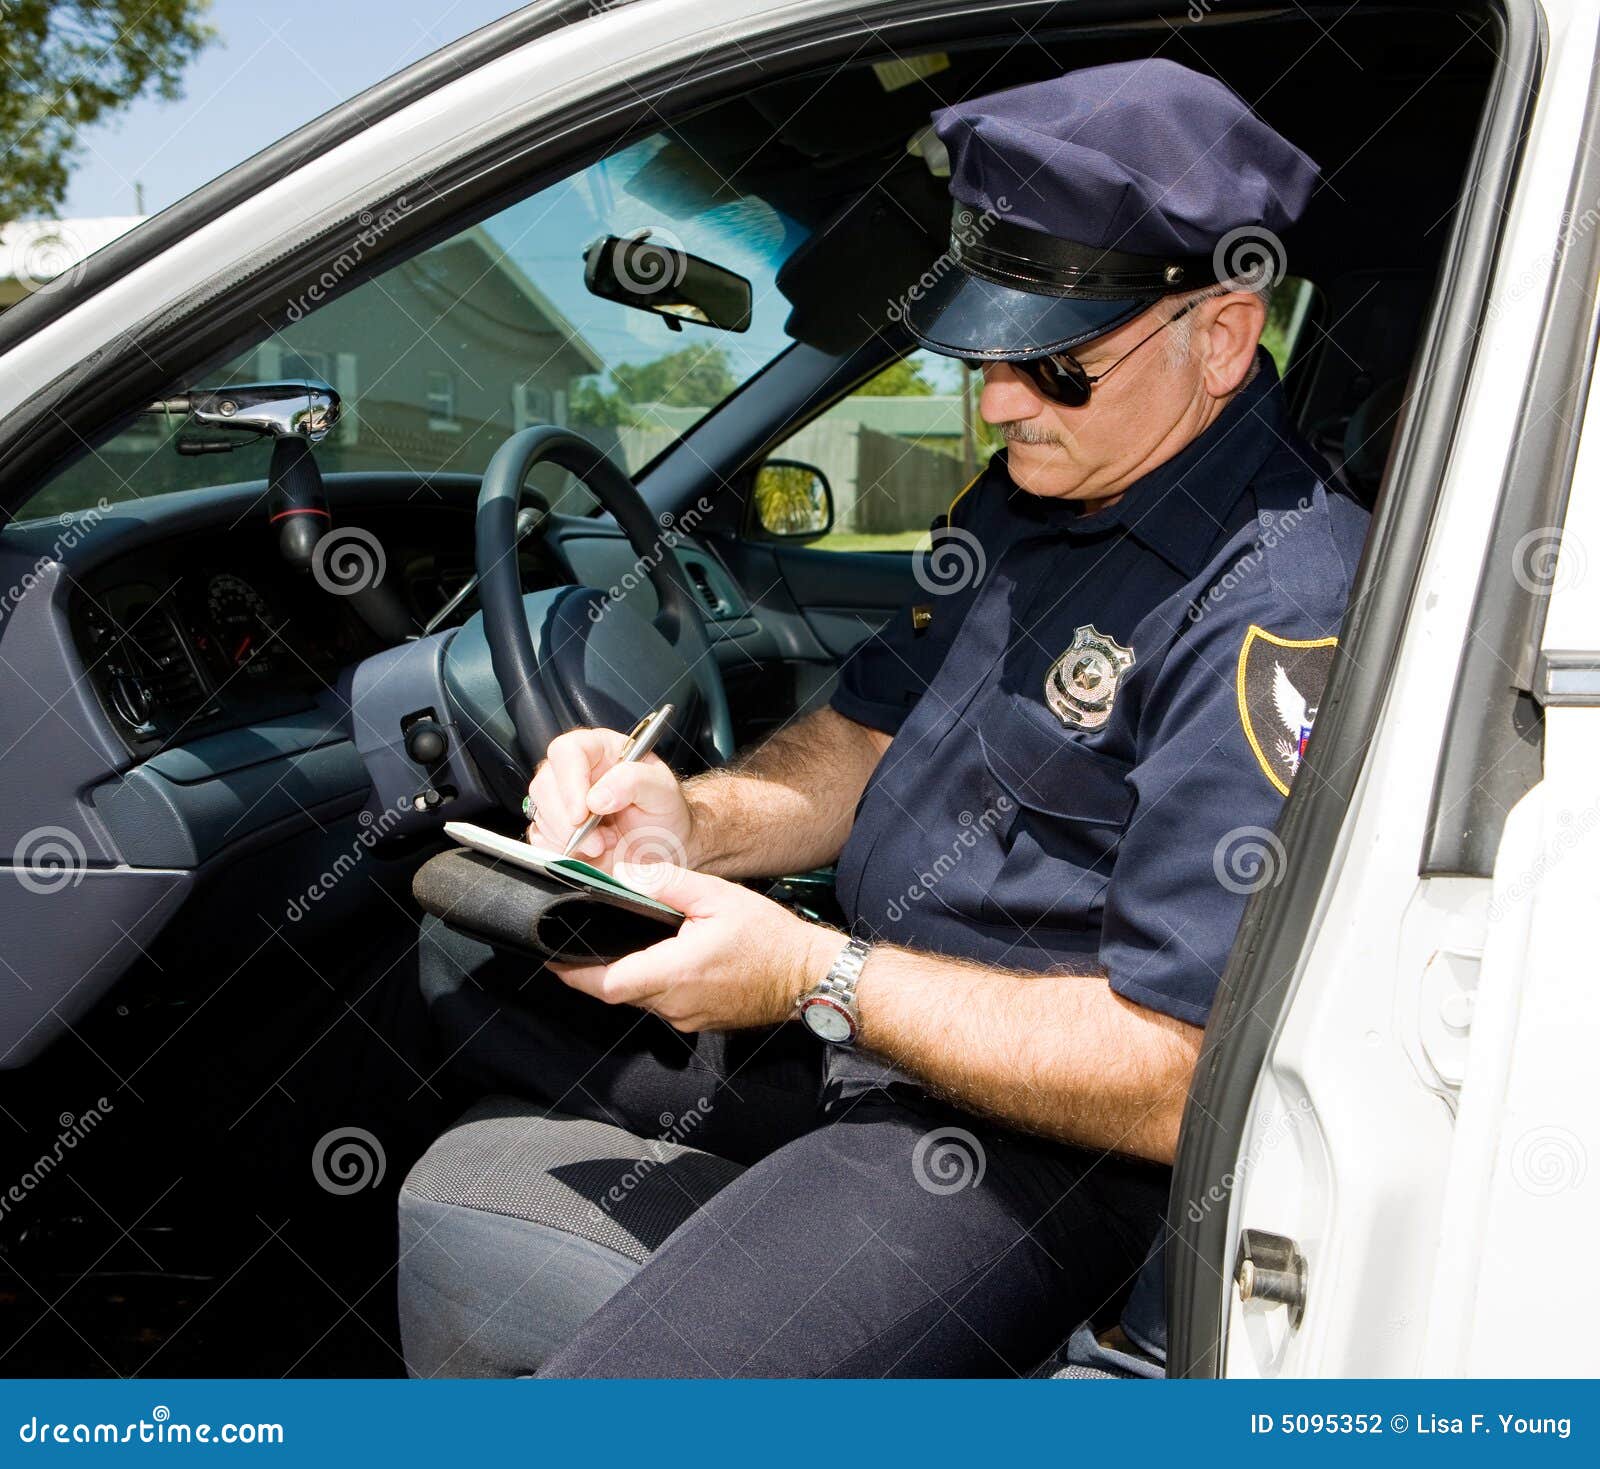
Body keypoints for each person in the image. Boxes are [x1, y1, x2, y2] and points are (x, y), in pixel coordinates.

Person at [411, 56, 1368, 1377]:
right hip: (861, 1031)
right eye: (990, 351)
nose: (1001, 401)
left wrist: (819, 976)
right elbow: (863, 740)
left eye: (1057, 363)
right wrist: (684, 816)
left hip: (1037, 1144)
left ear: (1219, 335)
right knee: (455, 962)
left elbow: (1182, 1072)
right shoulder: (1031, 495)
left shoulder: (1279, 603)